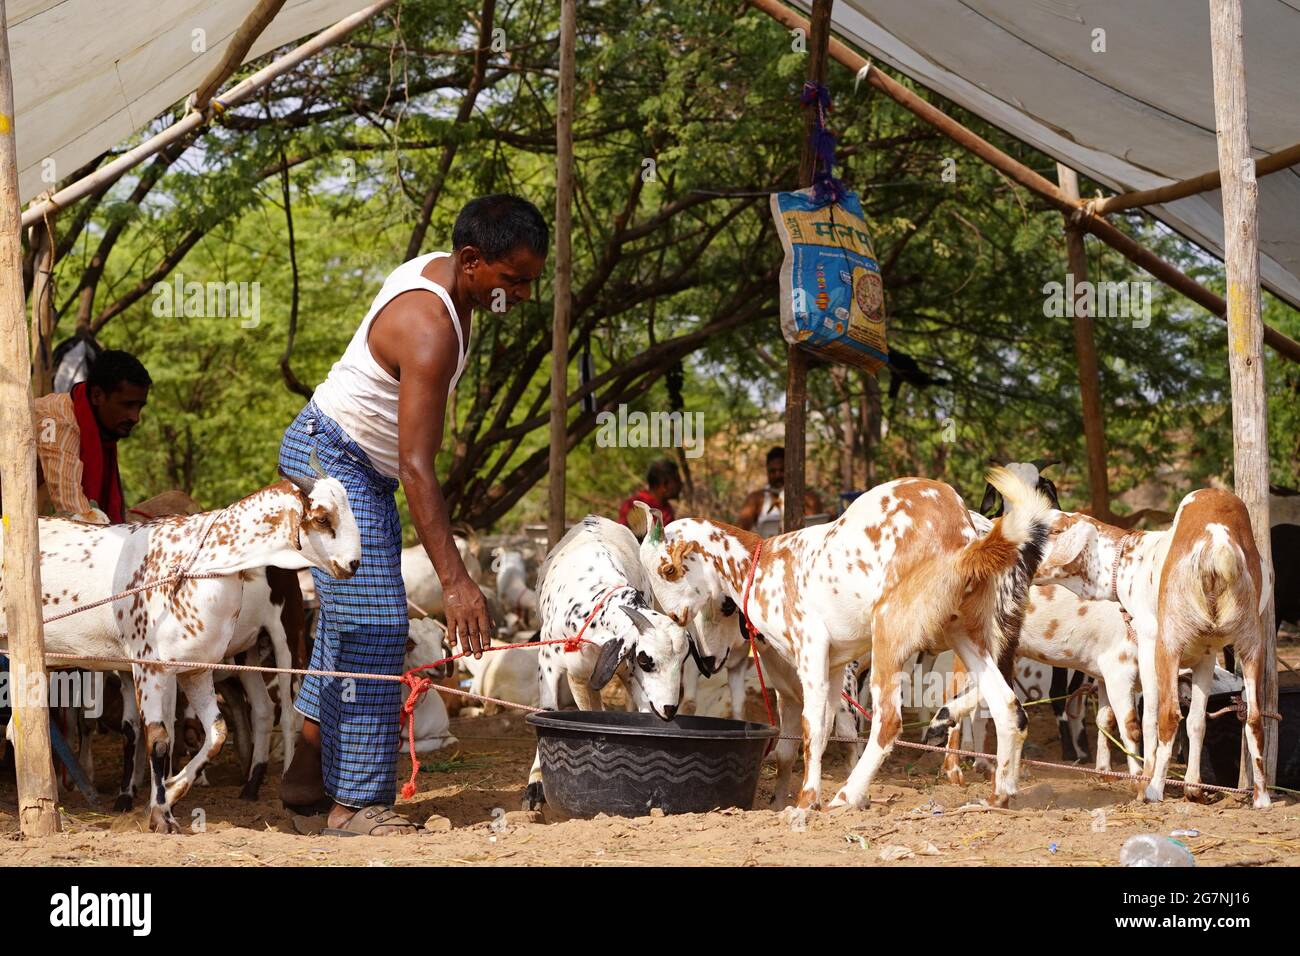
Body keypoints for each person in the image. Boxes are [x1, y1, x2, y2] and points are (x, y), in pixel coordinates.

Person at [277, 194, 547, 836]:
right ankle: (356, 807)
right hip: (334, 461)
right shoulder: (430, 327)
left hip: (352, 464)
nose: (524, 295)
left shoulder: (451, 279)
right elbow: (418, 466)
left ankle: (307, 772)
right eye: (514, 279)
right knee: (376, 624)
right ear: (474, 260)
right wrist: (455, 581)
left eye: (531, 280)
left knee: (349, 618)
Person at [32, 349, 151, 523]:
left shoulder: (99, 428)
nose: (135, 417)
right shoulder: (58, 420)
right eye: (127, 405)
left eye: (139, 406)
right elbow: (74, 513)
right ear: (97, 396)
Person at [736, 446, 821, 537]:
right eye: (773, 471)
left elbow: (816, 527)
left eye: (782, 470)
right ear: (767, 471)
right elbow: (740, 531)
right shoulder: (755, 499)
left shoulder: (808, 498)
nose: (777, 475)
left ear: (789, 470)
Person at [618, 458, 682, 530]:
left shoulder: (666, 508)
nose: (680, 485)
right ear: (664, 485)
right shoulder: (633, 506)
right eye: (677, 481)